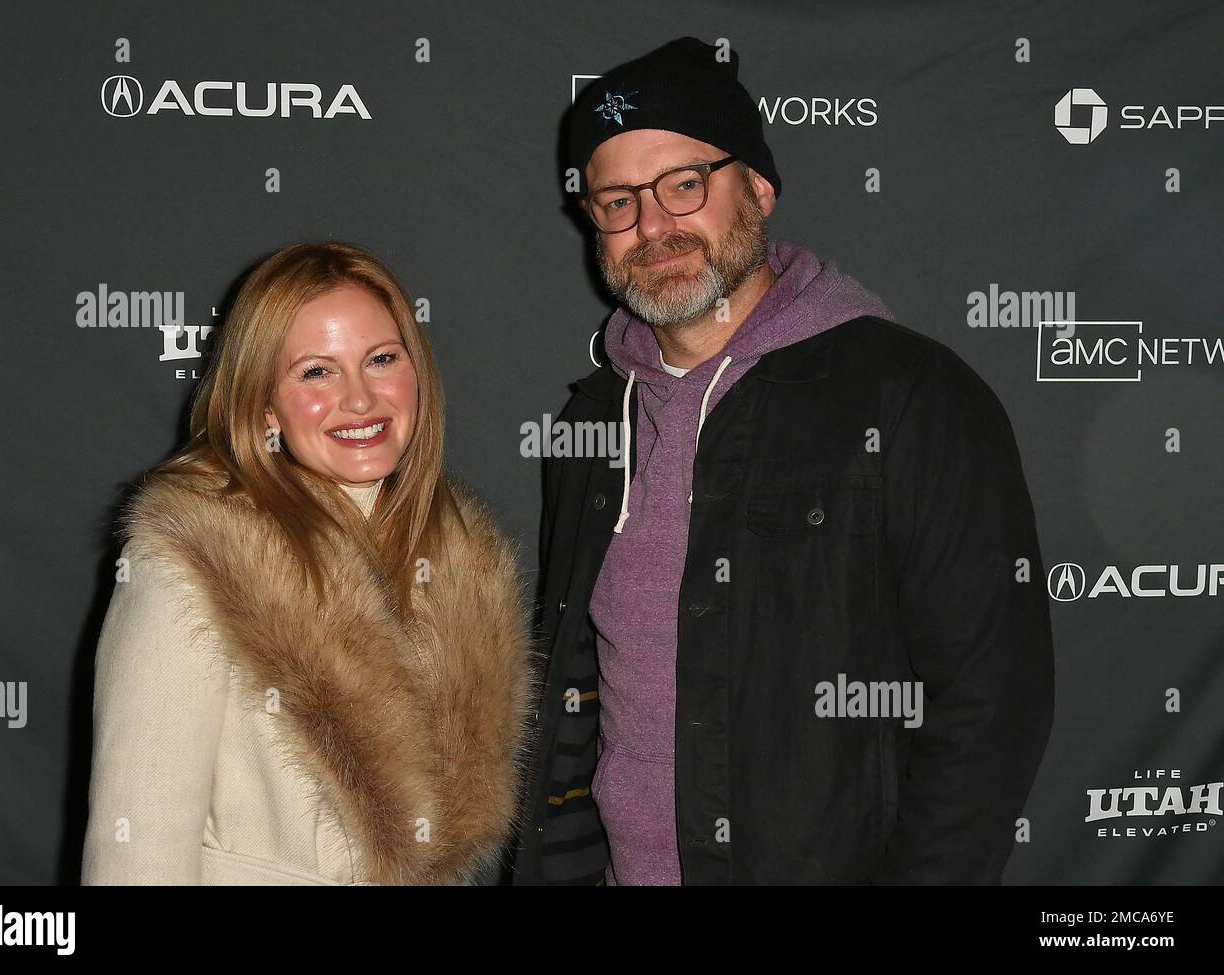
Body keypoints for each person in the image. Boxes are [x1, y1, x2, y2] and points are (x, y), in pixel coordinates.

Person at [514, 37, 1054, 884]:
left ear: (759, 188)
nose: (652, 225)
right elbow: (570, 706)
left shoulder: (909, 396)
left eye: (684, 184)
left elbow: (992, 708)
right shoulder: (593, 421)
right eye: (615, 201)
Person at [82, 241, 534, 885]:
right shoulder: (192, 560)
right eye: (316, 372)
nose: (359, 398)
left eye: (381, 359)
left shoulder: (465, 563)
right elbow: (135, 856)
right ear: (264, 404)